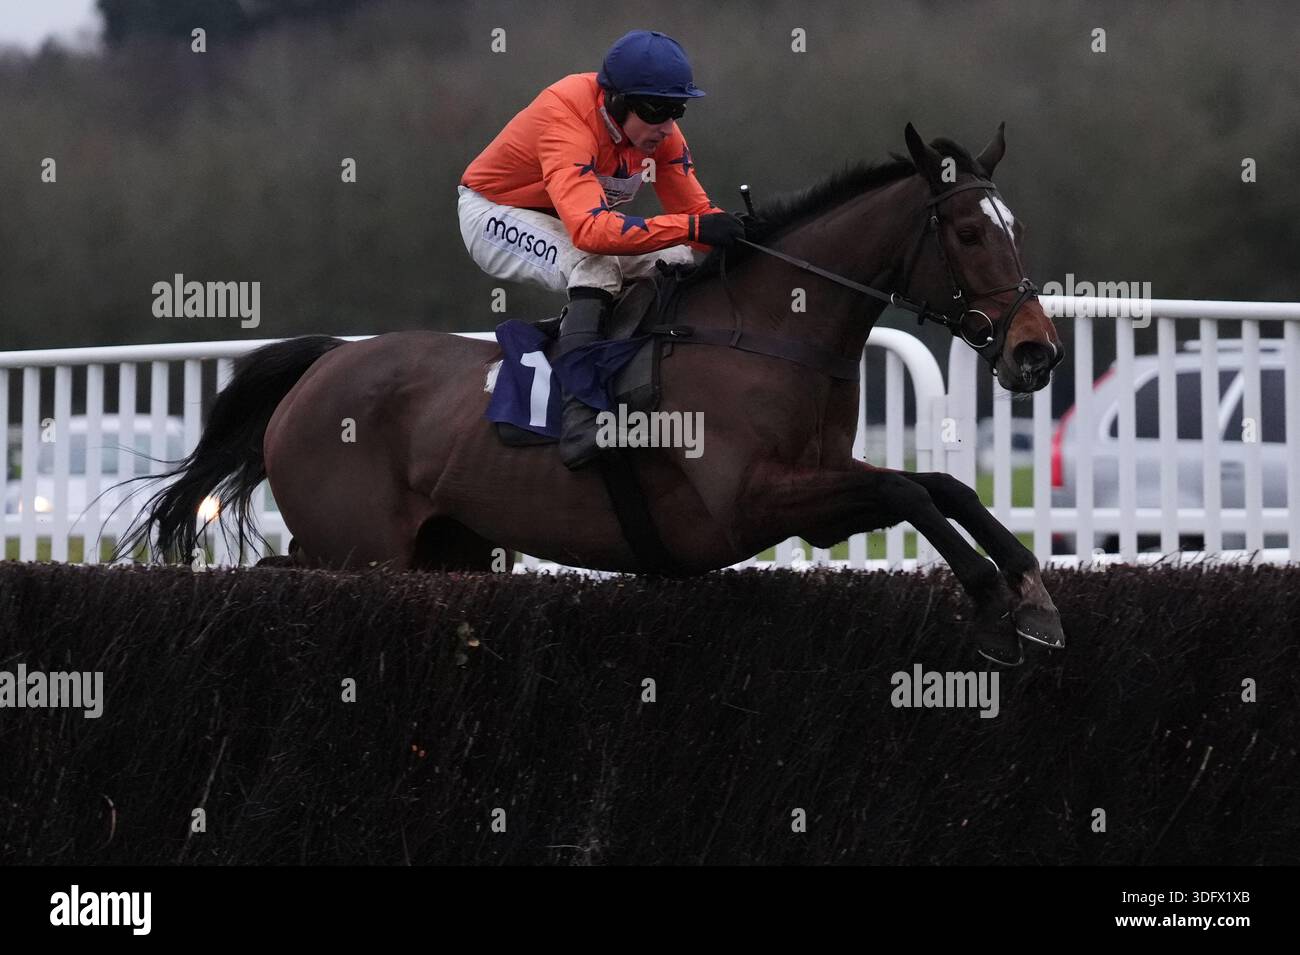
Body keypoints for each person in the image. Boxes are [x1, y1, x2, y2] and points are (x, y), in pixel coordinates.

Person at [458, 29, 745, 469]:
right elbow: (592, 232)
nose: (668, 125)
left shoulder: (661, 136)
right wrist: (691, 225)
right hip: (493, 213)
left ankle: (632, 381)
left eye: (677, 109)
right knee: (594, 266)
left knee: (676, 260)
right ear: (615, 100)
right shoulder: (565, 115)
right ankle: (581, 416)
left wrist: (753, 237)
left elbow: (697, 219)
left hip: (565, 218)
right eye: (657, 110)